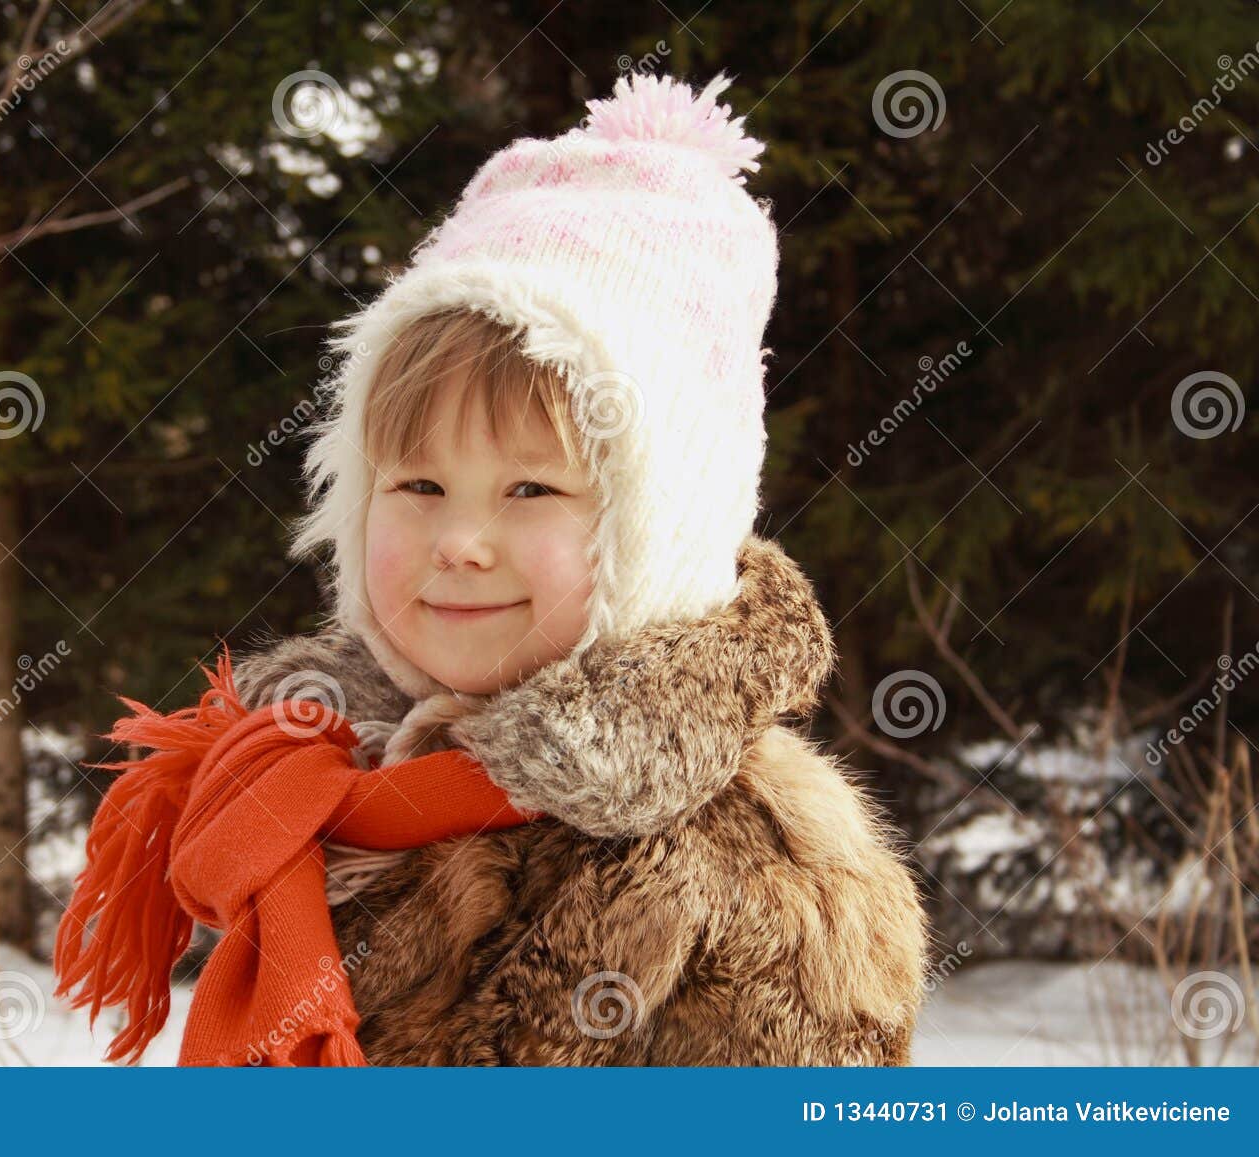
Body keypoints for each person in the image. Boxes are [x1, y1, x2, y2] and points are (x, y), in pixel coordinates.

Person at [57, 70, 929, 1066]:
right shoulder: (307, 787)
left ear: (659, 533)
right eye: (419, 486)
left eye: (529, 492)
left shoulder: (749, 879)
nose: (460, 541)